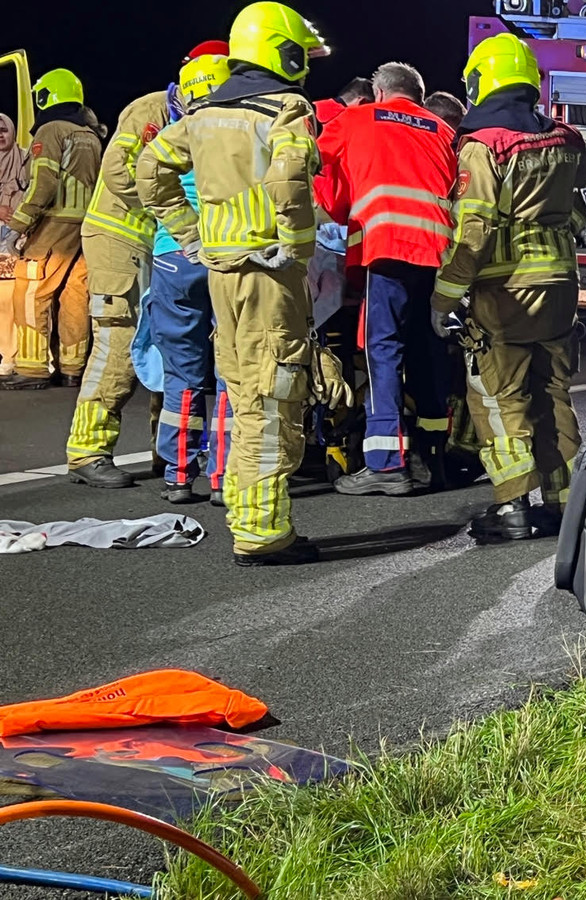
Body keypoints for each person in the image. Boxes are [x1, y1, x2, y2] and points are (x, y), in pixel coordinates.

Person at [140, 1, 337, 566]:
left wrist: (188, 234)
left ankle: (253, 523)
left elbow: (150, 168)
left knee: (246, 390)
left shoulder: (204, 113)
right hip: (270, 273)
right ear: (285, 51)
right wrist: (298, 251)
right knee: (274, 393)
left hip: (222, 271)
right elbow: (291, 179)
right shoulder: (287, 107)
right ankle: (264, 534)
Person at [432, 32, 586, 540]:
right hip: (560, 287)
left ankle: (513, 508)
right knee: (553, 392)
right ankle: (566, 503)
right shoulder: (568, 141)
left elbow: (474, 230)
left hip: (502, 293)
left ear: (485, 80)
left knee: (498, 396)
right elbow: (585, 207)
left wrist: (444, 297)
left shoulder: (483, 147)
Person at [65, 47, 214, 488]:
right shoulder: (151, 109)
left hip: (159, 243)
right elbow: (118, 172)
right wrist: (172, 215)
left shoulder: (199, 116)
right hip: (120, 237)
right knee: (120, 340)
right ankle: (88, 450)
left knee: (166, 342)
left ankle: (167, 455)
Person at [316, 61, 457, 496]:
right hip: (438, 253)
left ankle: (384, 462)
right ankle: (434, 455)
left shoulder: (356, 118)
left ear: (379, 92)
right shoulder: (442, 129)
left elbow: (320, 177)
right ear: (417, 94)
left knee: (383, 349)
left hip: (388, 244)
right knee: (427, 352)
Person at [139, 50, 234, 504]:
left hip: (173, 258)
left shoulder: (177, 131)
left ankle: (179, 476)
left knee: (183, 374)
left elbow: (146, 178)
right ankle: (224, 475)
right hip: (227, 254)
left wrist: (184, 234)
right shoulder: (239, 128)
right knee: (232, 371)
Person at [1, 69, 101, 390]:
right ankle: (73, 368)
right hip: (85, 227)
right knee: (75, 295)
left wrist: (17, 228)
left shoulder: (51, 130)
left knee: (31, 291)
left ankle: (32, 369)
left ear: (47, 96)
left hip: (54, 223)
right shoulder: (90, 135)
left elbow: (42, 184)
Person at [0, 113, 30, 378]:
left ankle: (24, 355)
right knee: (3, 301)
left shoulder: (24, 157)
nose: (0, 135)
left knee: (16, 297)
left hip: (21, 234)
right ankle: (7, 354)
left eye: (3, 130)